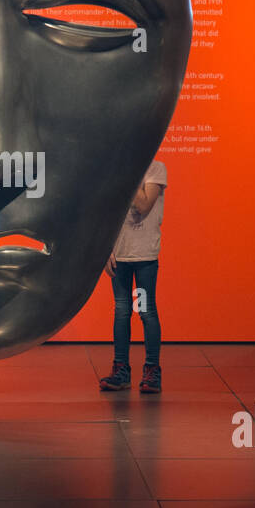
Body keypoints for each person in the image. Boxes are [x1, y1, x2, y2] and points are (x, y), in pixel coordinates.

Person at [99, 159, 167, 393]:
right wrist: (106, 248)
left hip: (145, 257)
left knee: (146, 311)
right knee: (121, 311)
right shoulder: (115, 170)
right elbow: (106, 214)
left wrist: (129, 174)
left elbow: (144, 205)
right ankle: (121, 370)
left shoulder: (155, 168)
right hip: (120, 255)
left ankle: (152, 370)